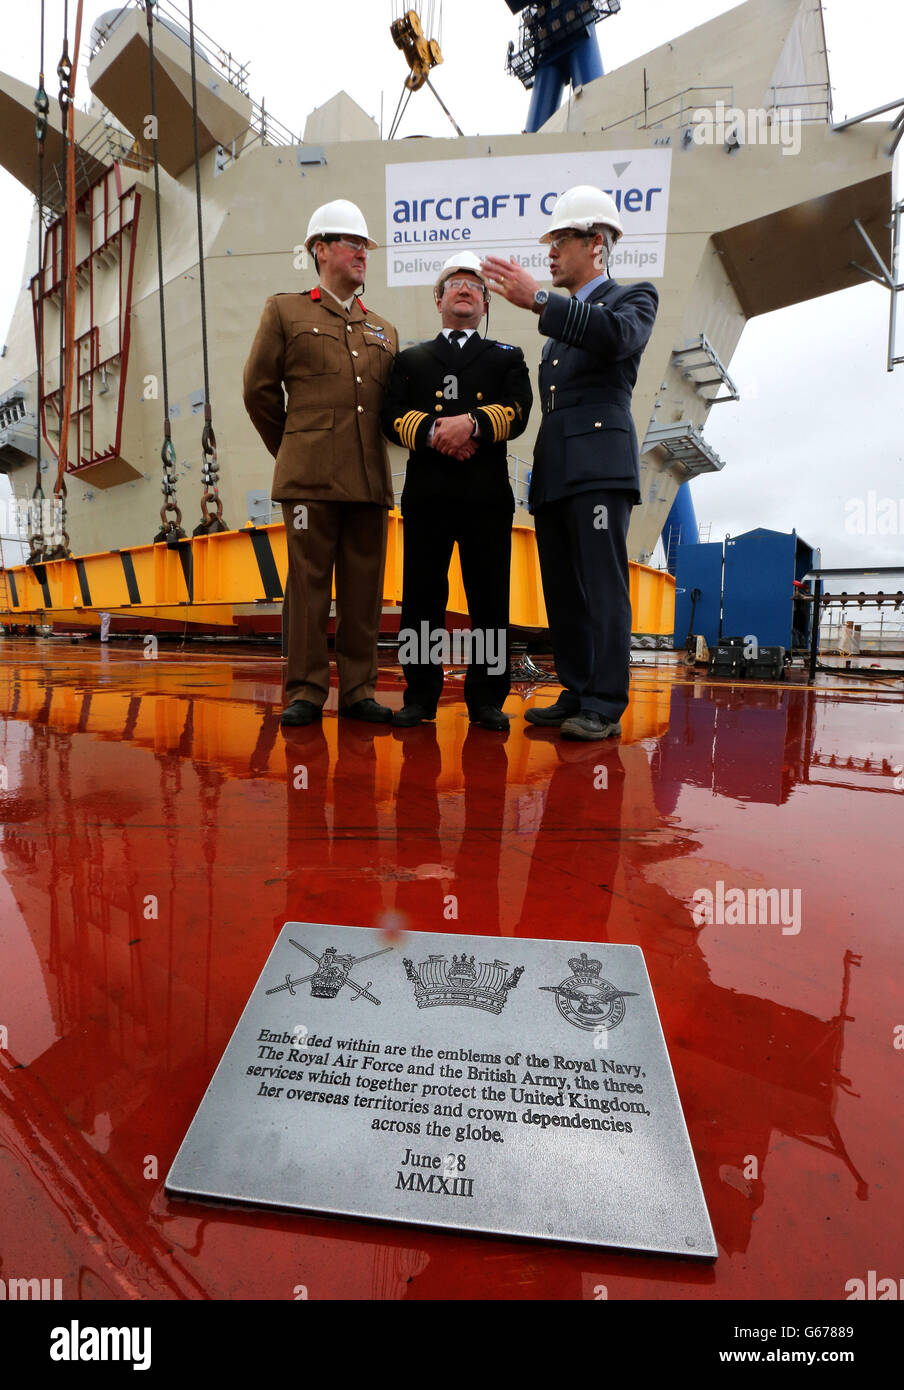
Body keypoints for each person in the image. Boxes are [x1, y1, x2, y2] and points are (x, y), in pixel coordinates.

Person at [482, 185, 658, 740]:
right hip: (557, 474)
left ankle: (604, 704)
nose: (551, 252)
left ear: (595, 242)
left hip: (600, 471)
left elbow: (614, 338)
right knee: (562, 589)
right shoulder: (558, 333)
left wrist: (539, 300)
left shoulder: (633, 300)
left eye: (561, 240)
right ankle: (578, 690)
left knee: (602, 586)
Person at [243, 199, 398, 726]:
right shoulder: (285, 311)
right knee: (308, 586)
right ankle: (306, 690)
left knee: (364, 589)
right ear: (321, 249)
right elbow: (258, 391)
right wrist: (293, 449)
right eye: (353, 244)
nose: (362, 254)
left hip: (368, 480)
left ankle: (358, 690)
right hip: (309, 480)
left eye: (366, 247)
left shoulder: (383, 330)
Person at [381, 251, 532, 731]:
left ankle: (486, 698)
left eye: (474, 285)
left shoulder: (506, 357)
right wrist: (435, 433)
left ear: (486, 304)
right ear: (438, 299)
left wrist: (472, 425)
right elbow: (390, 416)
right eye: (454, 284)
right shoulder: (410, 360)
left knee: (489, 599)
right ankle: (419, 695)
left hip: (485, 498)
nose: (464, 290)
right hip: (428, 496)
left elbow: (520, 410)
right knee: (421, 598)